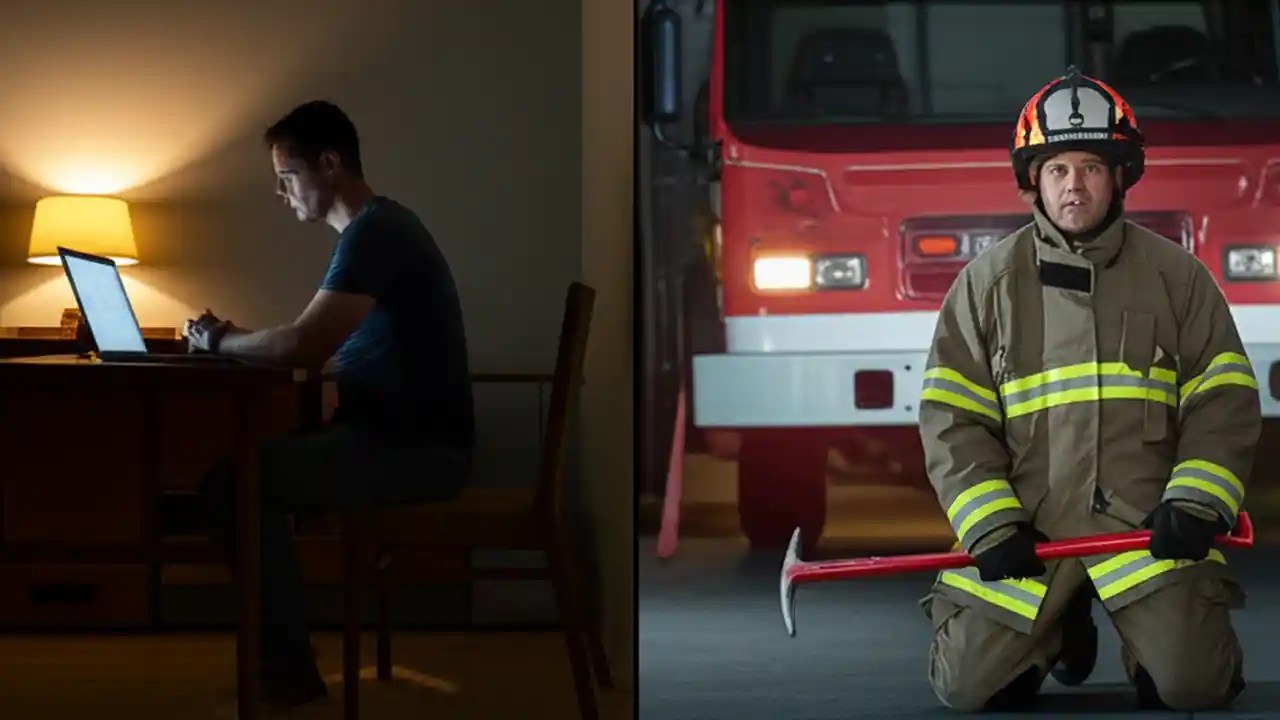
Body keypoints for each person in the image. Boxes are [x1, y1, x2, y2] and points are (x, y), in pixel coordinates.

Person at [917, 67, 1260, 712]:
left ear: (1120, 175)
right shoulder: (985, 284)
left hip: (1142, 528)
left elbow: (1224, 399)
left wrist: (1195, 501)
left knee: (1192, 687)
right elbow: (951, 418)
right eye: (1057, 169)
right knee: (966, 689)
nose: (1075, 185)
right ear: (1033, 182)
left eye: (1092, 167)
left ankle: (1149, 644)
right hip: (1032, 531)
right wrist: (990, 524)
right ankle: (1059, 625)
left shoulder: (1177, 277)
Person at [186, 100, 475, 707]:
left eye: (287, 176)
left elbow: (304, 346)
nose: (281, 191)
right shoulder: (375, 231)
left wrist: (219, 337)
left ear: (329, 162)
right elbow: (310, 345)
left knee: (233, 484)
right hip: (393, 439)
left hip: (416, 451)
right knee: (244, 474)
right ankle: (287, 660)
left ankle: (288, 671)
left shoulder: (376, 232)